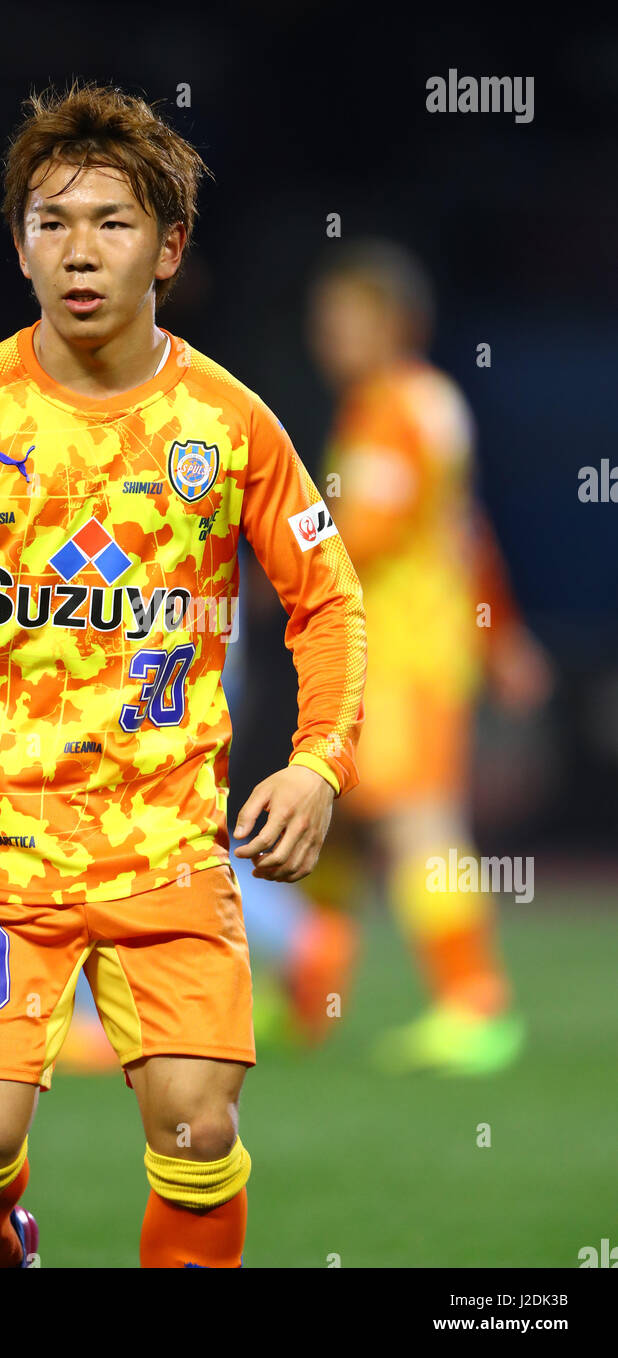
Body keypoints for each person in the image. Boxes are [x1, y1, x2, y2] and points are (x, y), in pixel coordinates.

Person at [0, 81, 366, 1268]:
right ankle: (4, 1242)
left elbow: (328, 599)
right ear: (17, 247)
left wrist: (317, 763)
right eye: (51, 222)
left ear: (167, 247)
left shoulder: (230, 425)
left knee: (197, 1128)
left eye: (111, 222)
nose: (80, 250)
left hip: (165, 841)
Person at [260, 239, 551, 1074]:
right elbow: (468, 531)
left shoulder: (393, 408)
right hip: (395, 649)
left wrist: (269, 555)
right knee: (339, 825)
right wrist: (503, 638)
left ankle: (476, 1005)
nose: (331, 335)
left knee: (419, 815)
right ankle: (309, 1003)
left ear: (397, 322)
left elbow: (369, 535)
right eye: (327, 320)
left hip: (403, 653)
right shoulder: (423, 403)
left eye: (348, 318)